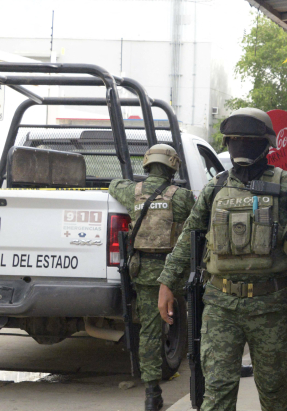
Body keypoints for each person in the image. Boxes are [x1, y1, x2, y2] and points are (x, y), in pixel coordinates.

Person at [156, 108, 287, 411]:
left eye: (246, 140)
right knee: (217, 394)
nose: (240, 146)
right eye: (234, 140)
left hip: (270, 305)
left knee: (274, 391)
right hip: (221, 305)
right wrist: (167, 283)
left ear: (265, 144)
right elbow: (190, 237)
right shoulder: (216, 187)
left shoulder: (286, 186)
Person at [109, 144, 194, 411]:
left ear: (147, 164)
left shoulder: (132, 192)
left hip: (145, 274)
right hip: (176, 273)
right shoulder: (182, 197)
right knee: (192, 323)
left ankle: (151, 393)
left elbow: (114, 185)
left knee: (149, 331)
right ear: (173, 166)